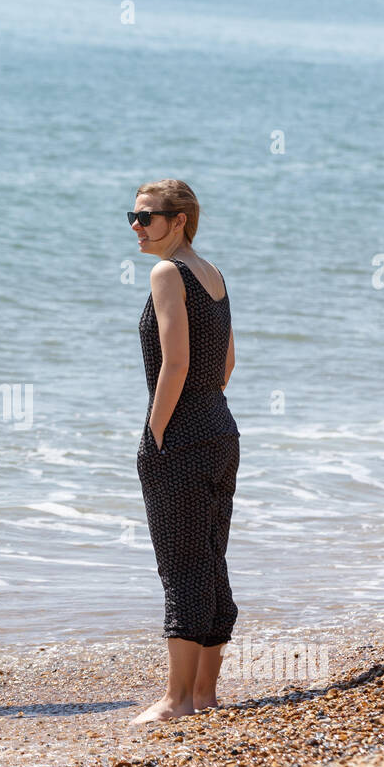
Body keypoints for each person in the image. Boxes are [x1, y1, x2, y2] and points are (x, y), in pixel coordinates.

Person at [127, 179, 240, 724]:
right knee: (210, 560)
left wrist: (155, 433)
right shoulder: (212, 274)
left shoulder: (167, 273)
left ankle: (175, 701)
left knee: (179, 565)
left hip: (183, 436)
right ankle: (205, 695)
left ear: (180, 221)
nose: (136, 225)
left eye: (147, 217)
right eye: (133, 215)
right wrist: (199, 409)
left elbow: (175, 363)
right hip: (220, 431)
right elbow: (226, 366)